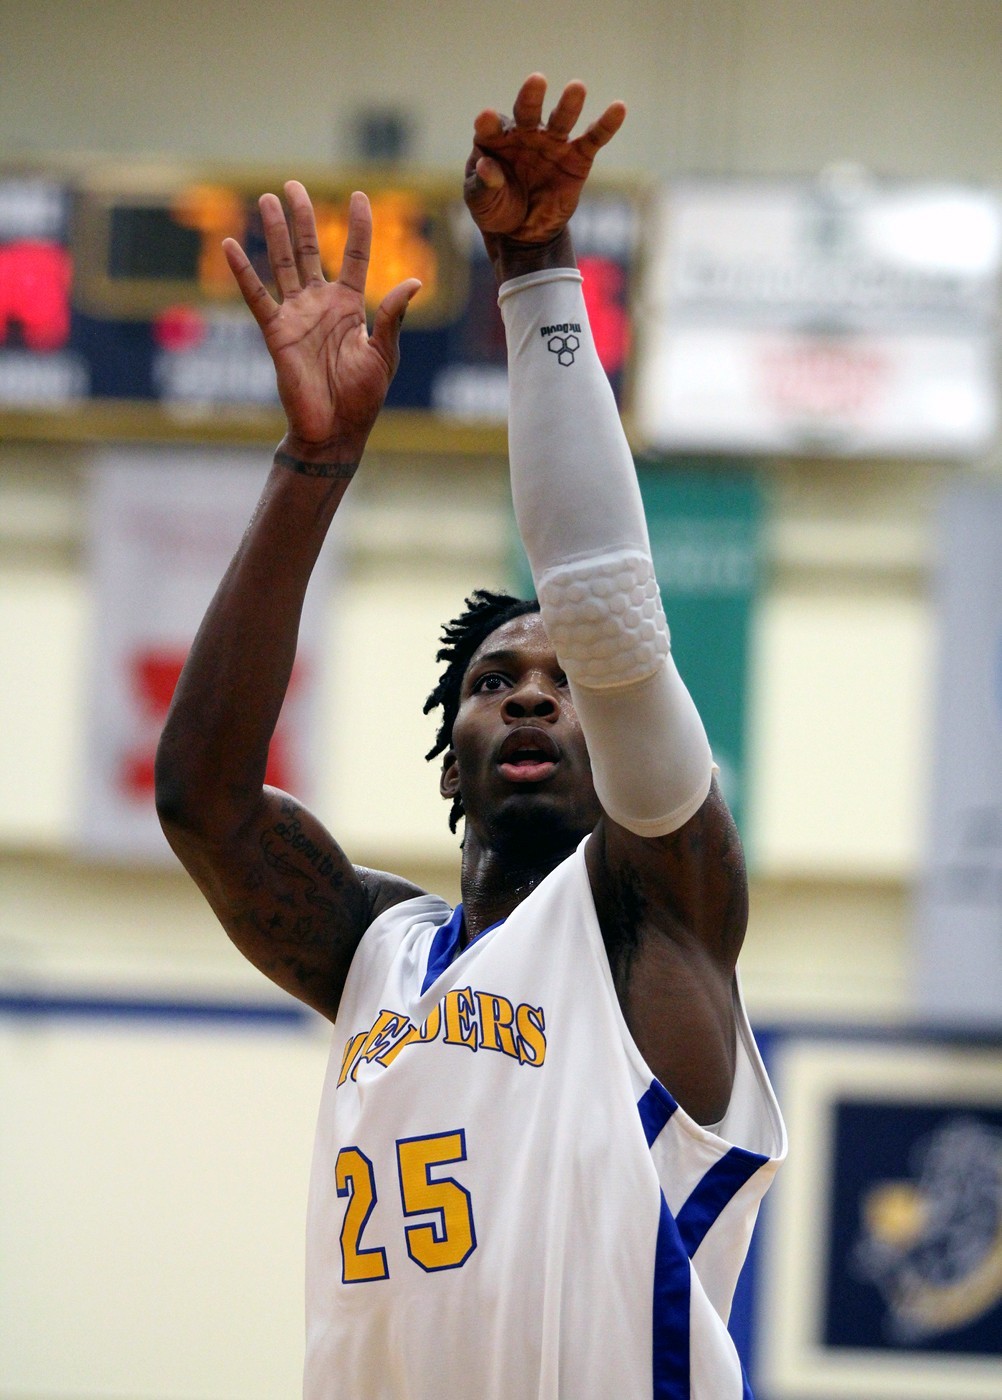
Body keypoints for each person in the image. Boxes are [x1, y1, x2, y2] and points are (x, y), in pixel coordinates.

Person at [155, 73, 786, 1400]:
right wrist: (313, 464)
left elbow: (605, 609)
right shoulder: (375, 951)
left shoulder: (654, 917)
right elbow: (203, 802)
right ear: (447, 758)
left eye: (558, 683)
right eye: (496, 682)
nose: (535, 694)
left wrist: (536, 276)